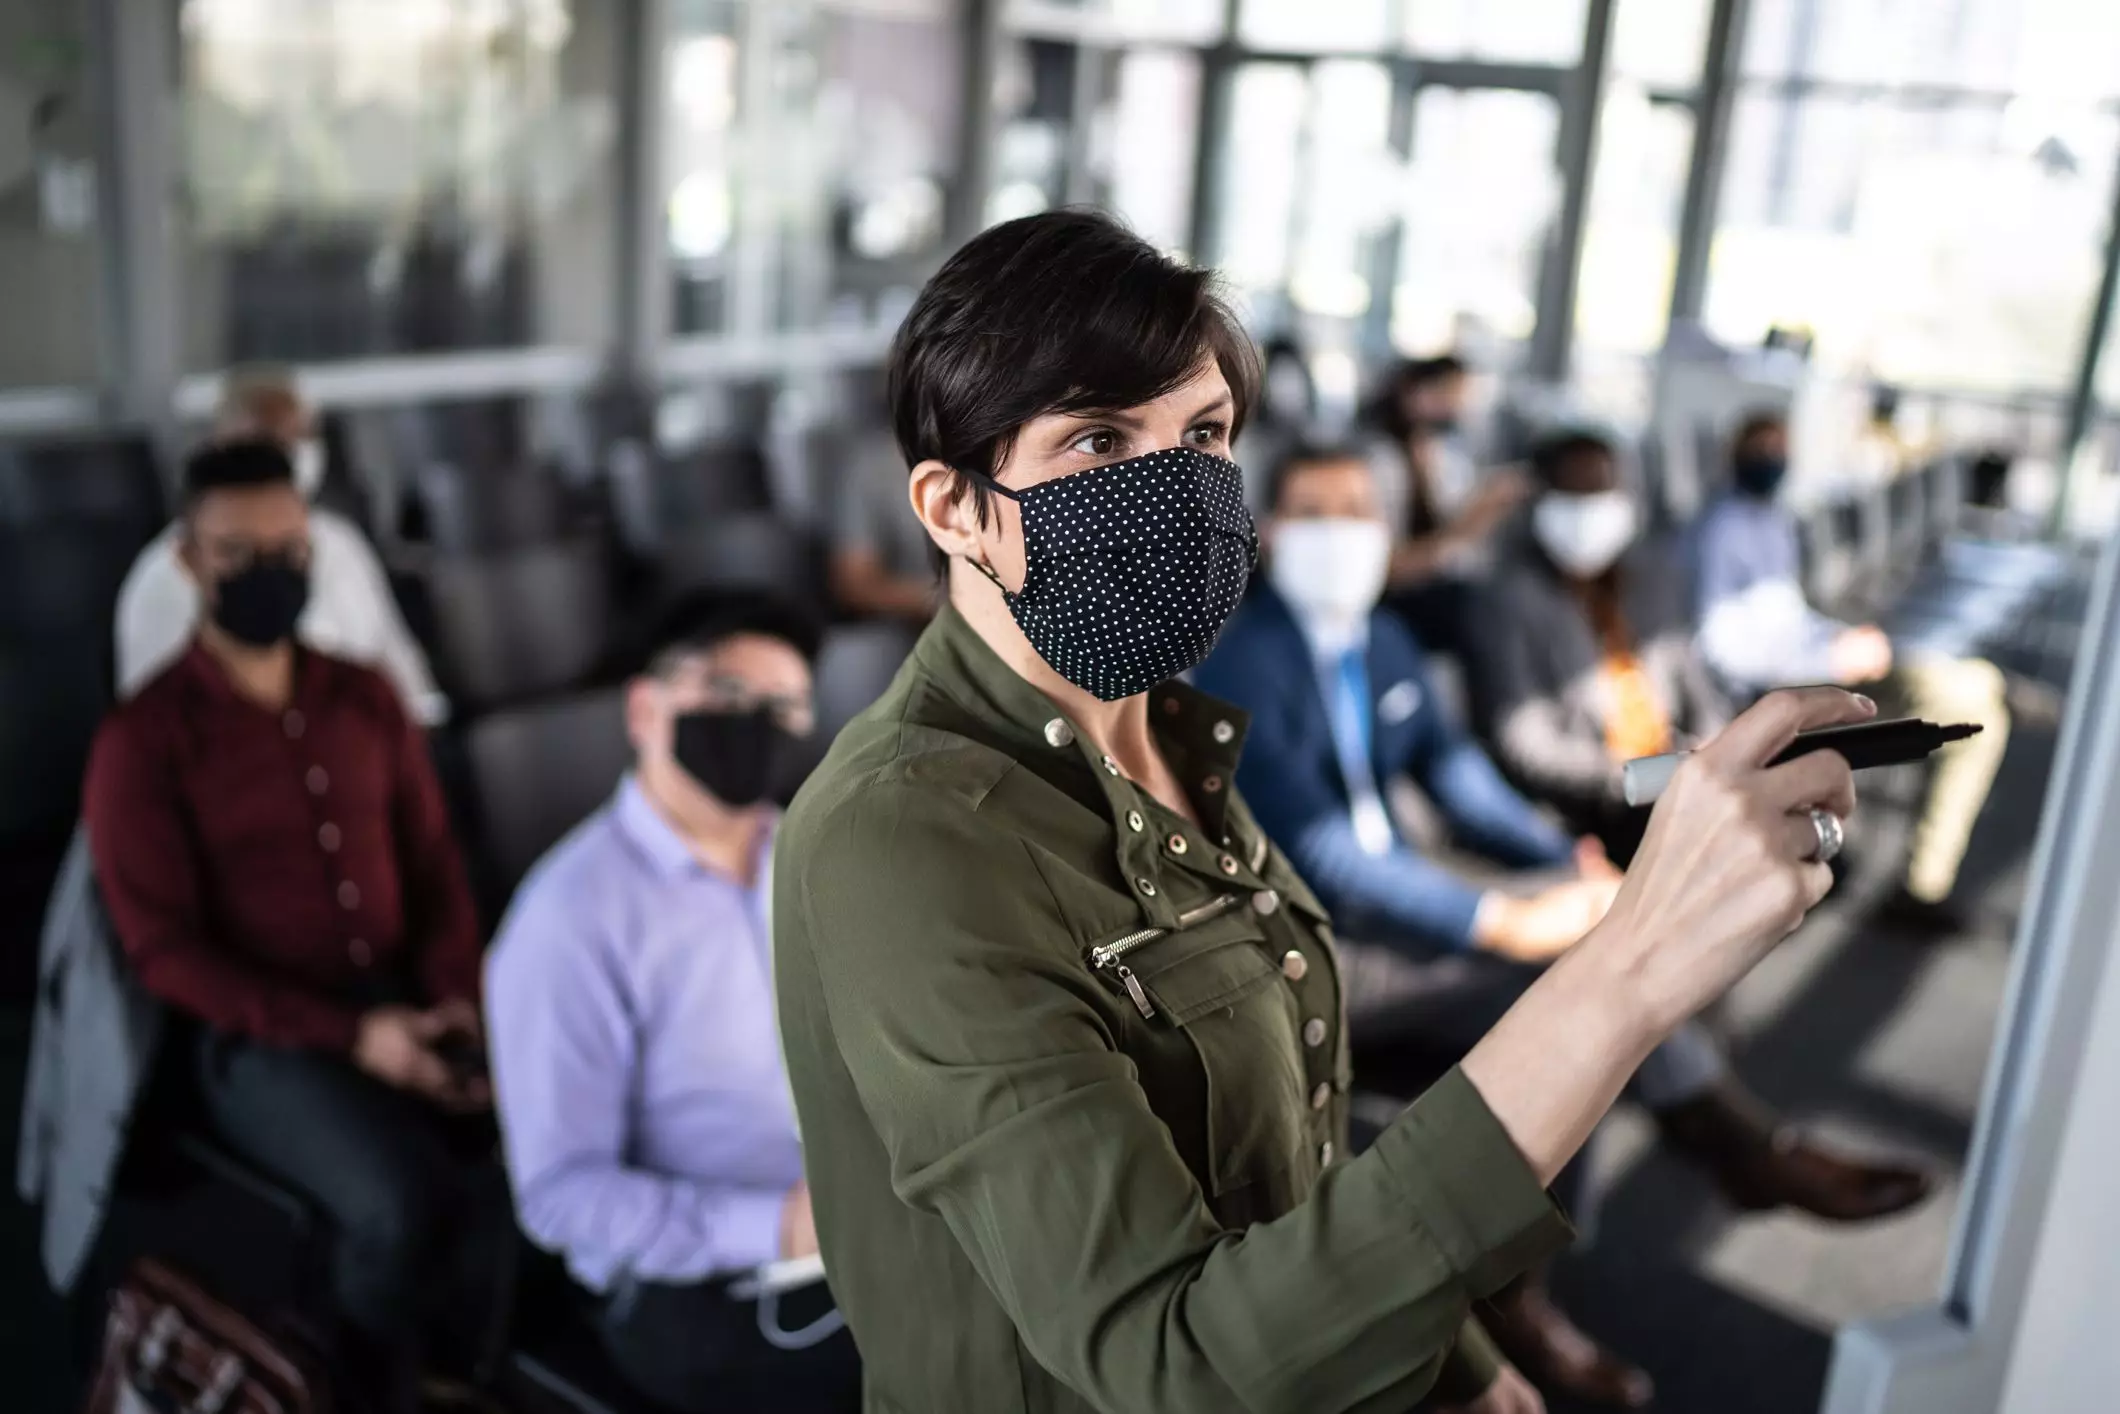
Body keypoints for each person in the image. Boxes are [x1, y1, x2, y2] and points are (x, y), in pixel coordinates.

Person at [773, 208, 1900, 1414]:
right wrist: (1627, 964)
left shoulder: (1167, 731)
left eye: (1202, 431)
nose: (1171, 482)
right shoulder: (903, 837)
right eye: (1099, 439)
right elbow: (1173, 1364)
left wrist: (1454, 1359)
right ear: (951, 507)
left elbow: (1280, 1149)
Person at [1196, 443, 1934, 1408]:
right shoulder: (1240, 661)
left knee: (1588, 956)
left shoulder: (1383, 642)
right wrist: (1500, 915)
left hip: (1407, 903)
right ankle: (1717, 1157)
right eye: (1313, 511)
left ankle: (1534, 1278)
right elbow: (1327, 855)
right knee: (1566, 985)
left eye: (1359, 511)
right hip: (1301, 945)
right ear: (1274, 533)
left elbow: (1459, 776)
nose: (1341, 533)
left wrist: (1555, 862)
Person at [84, 439, 500, 1414]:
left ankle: (459, 1365)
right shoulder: (142, 740)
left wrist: (454, 996)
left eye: (290, 547)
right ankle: (364, 1387)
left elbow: (434, 867)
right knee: (393, 1200)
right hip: (255, 1035)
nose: (269, 571)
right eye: (238, 551)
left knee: (528, 1139)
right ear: (188, 560)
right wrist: (355, 1037)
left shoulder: (364, 698)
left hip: (398, 993)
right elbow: (164, 950)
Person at [485, 594, 860, 1414]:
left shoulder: (806, 849)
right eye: (728, 696)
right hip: (704, 1281)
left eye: (785, 707)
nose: (758, 724)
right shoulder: (569, 918)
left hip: (859, 1219)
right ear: (645, 708)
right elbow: (558, 1194)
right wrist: (778, 1226)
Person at [1696, 411, 2012, 928]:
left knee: (1979, 692)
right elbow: (1726, 649)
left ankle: (1925, 879)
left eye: (1781, 447)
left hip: (1819, 660)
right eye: (1763, 447)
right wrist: (1828, 657)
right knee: (1979, 717)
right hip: (1790, 685)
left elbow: (1786, 618)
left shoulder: (1770, 521)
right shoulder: (1718, 532)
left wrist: (1835, 638)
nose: (1774, 459)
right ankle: (1923, 884)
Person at [115, 365, 445, 724]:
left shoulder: (341, 541)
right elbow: (156, 716)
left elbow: (393, 656)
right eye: (270, 436)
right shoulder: (168, 573)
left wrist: (419, 725)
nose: (292, 451)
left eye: (302, 435)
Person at [1470, 429, 1731, 864]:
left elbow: (1693, 678)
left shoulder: (1648, 579)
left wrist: (1715, 743)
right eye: (1574, 494)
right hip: (1598, 796)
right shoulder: (1507, 601)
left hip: (1676, 764)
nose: (1590, 508)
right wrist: (1633, 775)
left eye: (1601, 491)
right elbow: (1524, 740)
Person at [1361, 355, 1530, 662]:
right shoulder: (1379, 462)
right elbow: (1388, 569)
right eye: (1448, 393)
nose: (1457, 405)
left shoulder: (1444, 456)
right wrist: (1467, 526)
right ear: (1412, 393)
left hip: (1433, 591)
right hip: (1395, 602)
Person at [828, 433, 941, 623]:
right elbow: (856, 585)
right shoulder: (875, 467)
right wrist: (942, 600)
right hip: (916, 620)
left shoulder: (999, 458)